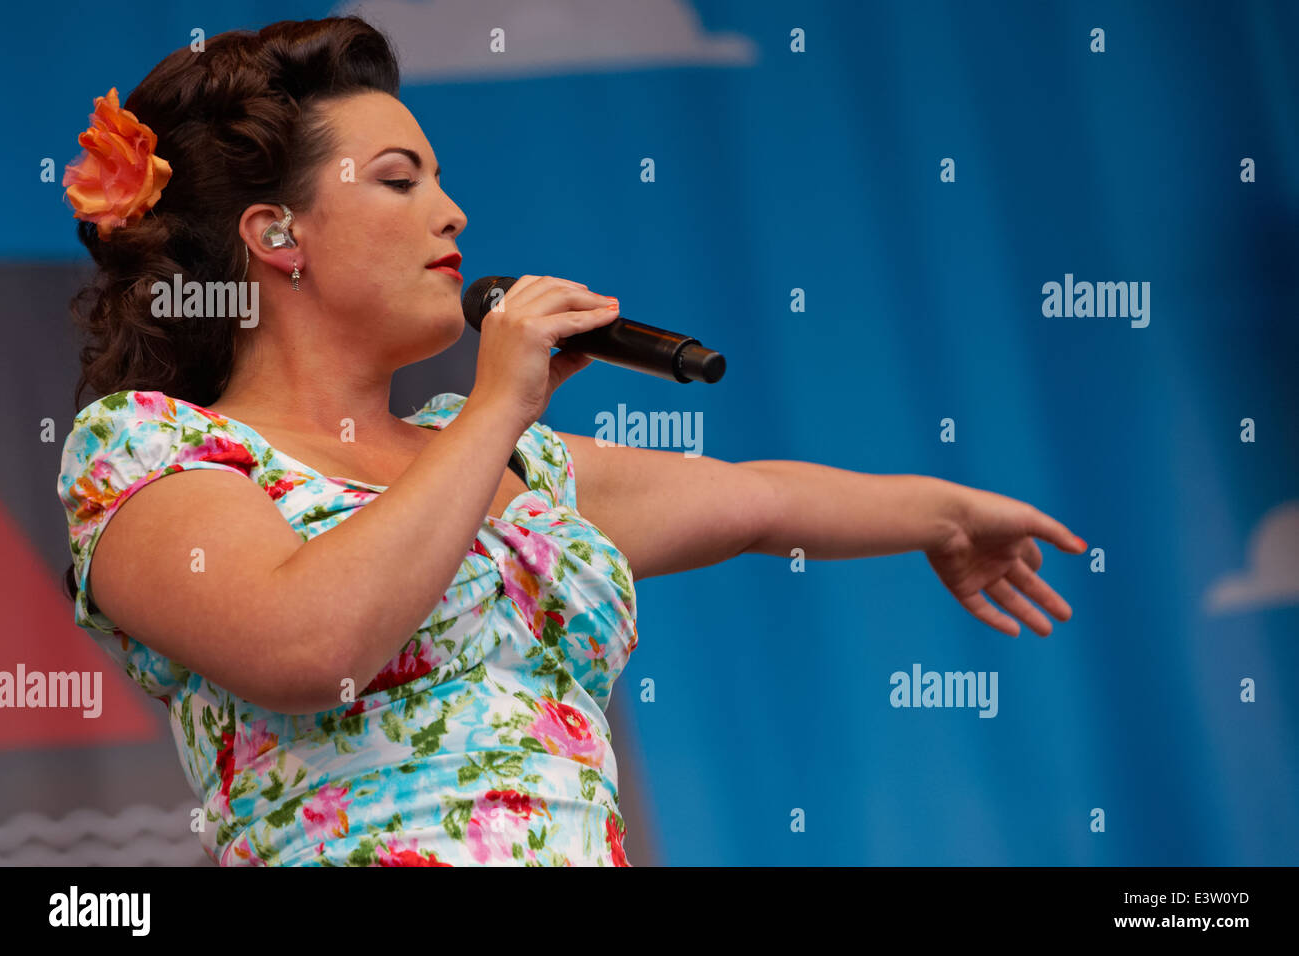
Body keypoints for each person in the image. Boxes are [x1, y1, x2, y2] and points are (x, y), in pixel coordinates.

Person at [55, 16, 1086, 867]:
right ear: (276, 234)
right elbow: (306, 647)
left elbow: (760, 499)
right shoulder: (150, 452)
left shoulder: (508, 465)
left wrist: (948, 513)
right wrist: (497, 403)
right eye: (401, 180)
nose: (452, 213)